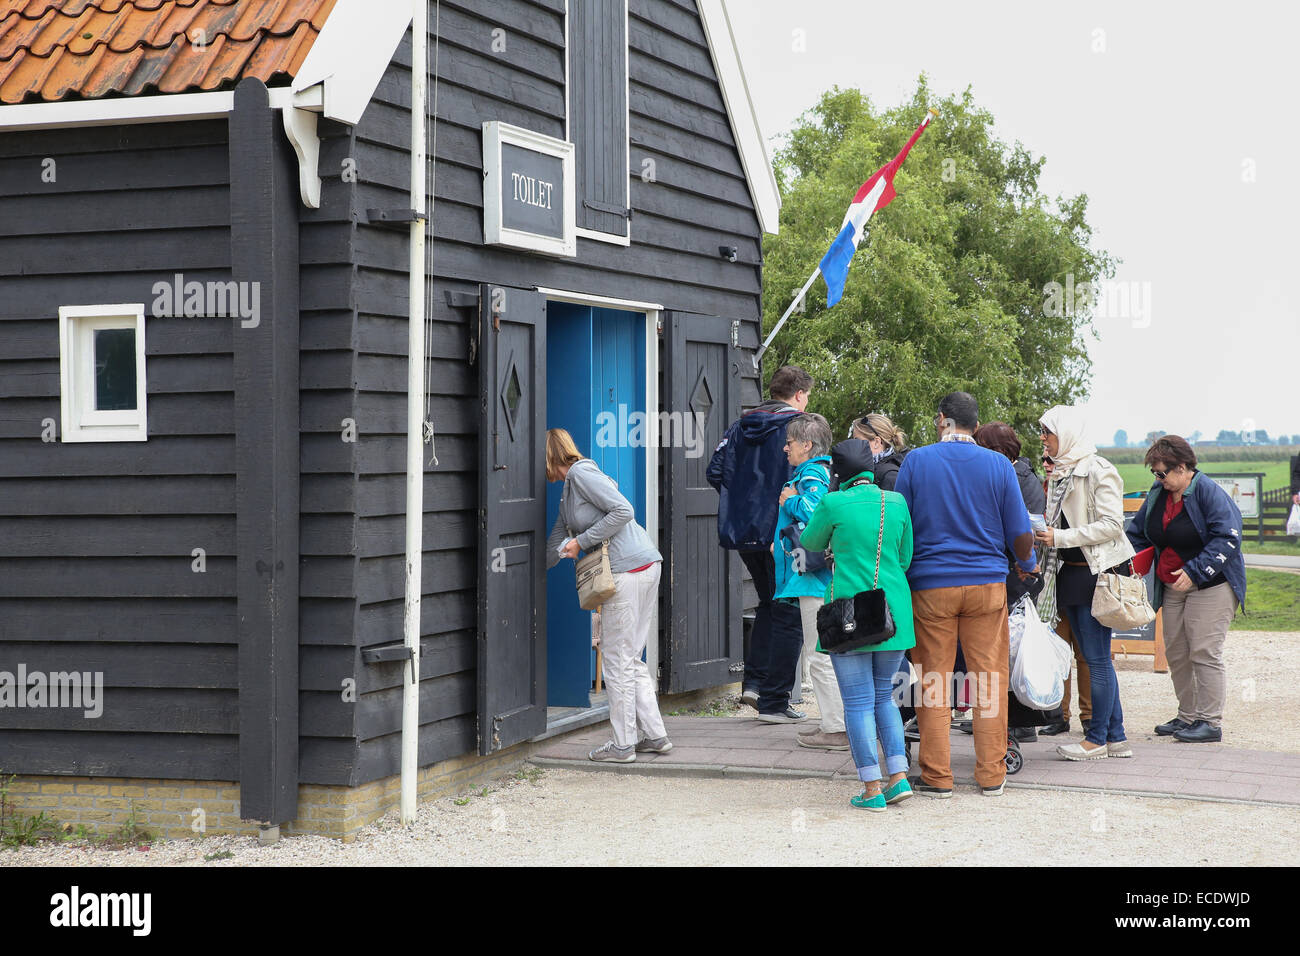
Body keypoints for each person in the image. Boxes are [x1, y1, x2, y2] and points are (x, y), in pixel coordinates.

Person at [894, 392, 1036, 798]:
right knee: (988, 679)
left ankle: (937, 777)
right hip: (987, 585)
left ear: (942, 420)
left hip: (930, 585)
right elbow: (1020, 531)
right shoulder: (997, 465)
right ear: (976, 424)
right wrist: (1025, 563)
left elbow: (902, 525)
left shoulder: (917, 461)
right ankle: (991, 774)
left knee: (934, 680)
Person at [801, 440, 916, 810]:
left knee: (857, 703)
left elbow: (810, 541)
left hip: (849, 616)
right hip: (892, 611)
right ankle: (898, 777)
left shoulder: (834, 503)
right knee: (885, 697)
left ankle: (871, 788)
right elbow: (905, 556)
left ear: (838, 472)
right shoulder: (895, 502)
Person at [545, 428, 671, 762]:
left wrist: (581, 542)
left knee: (615, 658)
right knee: (629, 657)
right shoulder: (570, 491)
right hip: (642, 565)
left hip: (626, 570)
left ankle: (623, 745)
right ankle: (655, 736)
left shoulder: (581, 473)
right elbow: (557, 538)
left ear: (550, 455)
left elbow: (623, 511)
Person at [1126, 435, 1247, 743]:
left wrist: (1194, 572)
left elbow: (1229, 537)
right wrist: (1128, 561)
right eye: (1155, 473)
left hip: (1211, 584)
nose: (1157, 478)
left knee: (1204, 650)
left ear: (1182, 468)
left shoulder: (1208, 492)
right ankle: (1188, 716)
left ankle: (1210, 722)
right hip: (1172, 584)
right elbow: (1139, 532)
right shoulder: (1159, 494)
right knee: (1177, 652)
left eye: (1161, 472)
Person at [707, 366, 812, 718]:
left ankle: (754, 685)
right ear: (799, 394)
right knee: (790, 610)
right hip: (781, 532)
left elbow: (715, 471)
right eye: (807, 395)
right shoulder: (799, 427)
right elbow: (808, 475)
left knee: (769, 603)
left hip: (743, 531)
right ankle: (774, 699)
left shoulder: (739, 425)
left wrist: (741, 503)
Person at [1035, 406, 1136, 761]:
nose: (1044, 440)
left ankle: (1096, 739)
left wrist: (1058, 537)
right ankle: (1117, 735)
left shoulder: (1098, 469)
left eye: (1048, 433)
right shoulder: (1061, 471)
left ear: (1068, 433)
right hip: (1073, 573)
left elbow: (1112, 524)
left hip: (1095, 573)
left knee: (1095, 660)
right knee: (1096, 659)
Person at [971, 422, 1048, 743]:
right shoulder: (1024, 475)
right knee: (1008, 649)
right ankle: (1013, 718)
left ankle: (1017, 720)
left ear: (995, 450)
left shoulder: (1011, 478)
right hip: (1018, 569)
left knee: (1004, 650)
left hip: (1012, 572)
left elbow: (1018, 529)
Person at [773, 413, 846, 744]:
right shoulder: (820, 472)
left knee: (819, 656)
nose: (785, 448)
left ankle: (835, 727)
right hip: (817, 576)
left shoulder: (812, 475)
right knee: (826, 653)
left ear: (807, 444)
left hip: (813, 576)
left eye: (790, 442)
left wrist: (791, 501)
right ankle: (838, 723)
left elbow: (818, 514)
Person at [849, 413, 909, 491]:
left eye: (857, 441)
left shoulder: (889, 476)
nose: (853, 445)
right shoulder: (870, 470)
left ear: (877, 442)